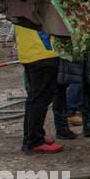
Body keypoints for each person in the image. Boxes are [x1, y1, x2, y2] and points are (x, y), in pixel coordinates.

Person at [15, 26, 63, 155]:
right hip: (42, 53)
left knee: (33, 99)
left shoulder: (18, 8)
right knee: (41, 100)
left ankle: (31, 137)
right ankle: (35, 141)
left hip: (29, 53)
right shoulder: (33, 6)